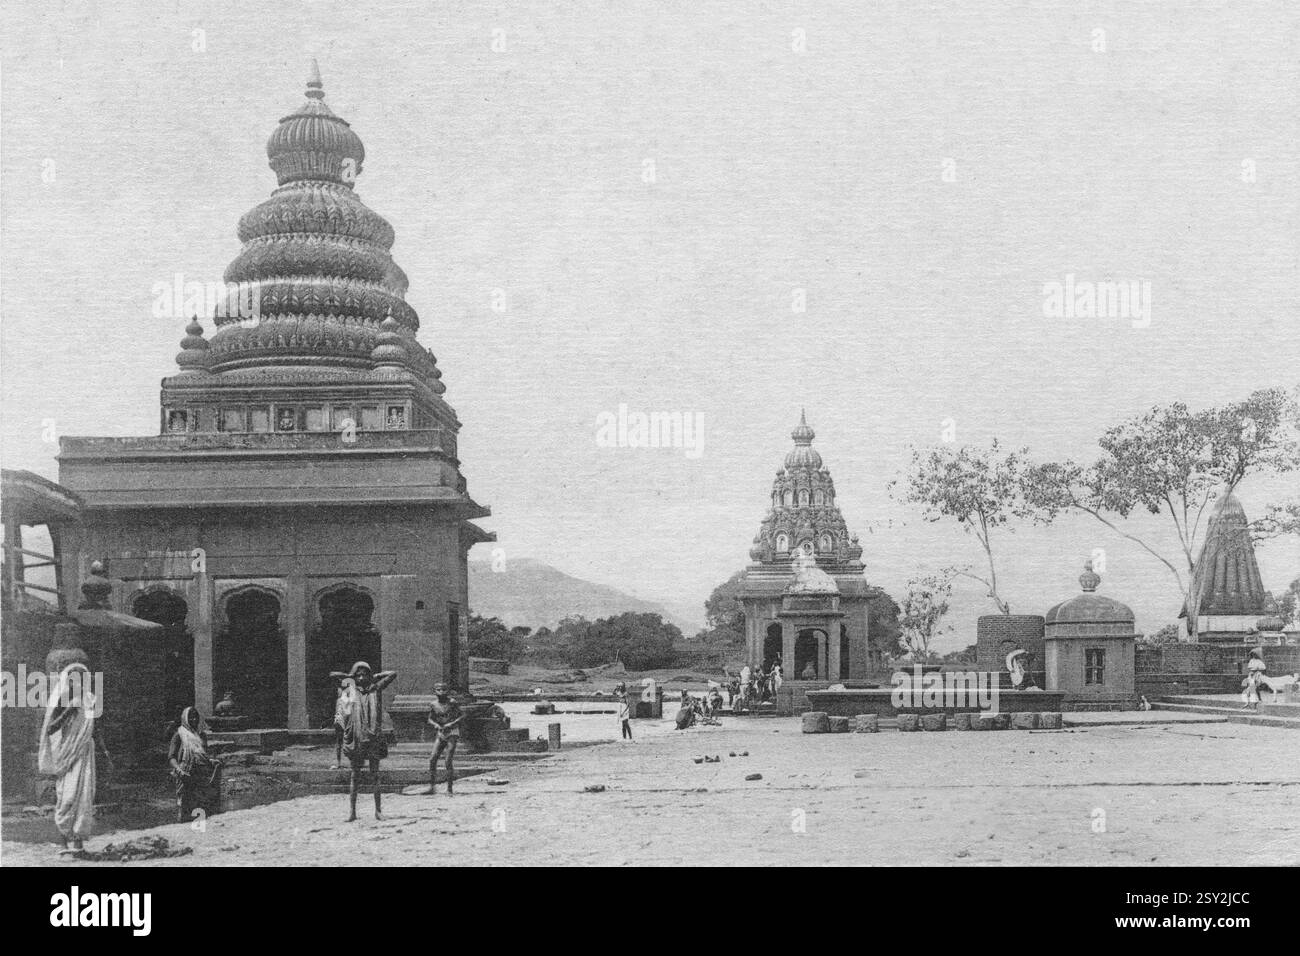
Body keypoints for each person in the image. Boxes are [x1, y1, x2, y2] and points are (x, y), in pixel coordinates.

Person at [39, 661, 106, 853]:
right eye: (73, 679)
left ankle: (78, 841)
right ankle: (62, 840)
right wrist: (68, 712)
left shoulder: (90, 699)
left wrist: (106, 752)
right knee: (66, 796)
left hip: (85, 751)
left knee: (84, 795)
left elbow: (96, 728)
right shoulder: (62, 700)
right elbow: (50, 729)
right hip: (68, 754)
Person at [330, 661, 397, 821]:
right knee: (355, 776)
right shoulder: (350, 690)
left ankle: (378, 811)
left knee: (375, 775)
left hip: (373, 738)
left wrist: (374, 676)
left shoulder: (376, 689)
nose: (361, 677)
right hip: (357, 739)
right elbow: (333, 676)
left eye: (364, 674)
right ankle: (352, 812)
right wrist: (350, 677)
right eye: (358, 675)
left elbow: (392, 674)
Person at [168, 706, 221, 823]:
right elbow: (171, 757)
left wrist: (211, 761)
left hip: (201, 774)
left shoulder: (201, 735)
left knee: (201, 805)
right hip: (185, 773)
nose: (194, 720)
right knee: (185, 804)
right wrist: (178, 769)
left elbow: (203, 755)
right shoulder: (179, 735)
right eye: (190, 717)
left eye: (196, 717)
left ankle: (199, 831)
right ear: (185, 718)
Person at [424, 682, 464, 794]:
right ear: (434, 691)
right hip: (441, 732)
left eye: (443, 690)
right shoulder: (433, 704)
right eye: (438, 690)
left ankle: (449, 789)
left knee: (448, 760)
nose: (441, 692)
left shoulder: (452, 703)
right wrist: (435, 724)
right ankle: (432, 787)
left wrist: (451, 724)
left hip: (452, 732)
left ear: (447, 691)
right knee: (432, 759)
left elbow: (462, 715)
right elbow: (430, 718)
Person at [331, 677, 355, 769]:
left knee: (349, 742)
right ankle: (338, 762)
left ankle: (351, 762)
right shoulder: (339, 700)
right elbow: (337, 711)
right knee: (339, 742)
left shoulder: (349, 698)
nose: (339, 691)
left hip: (347, 721)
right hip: (339, 721)